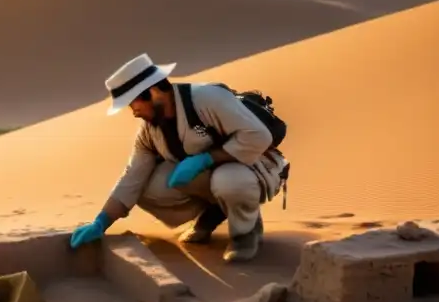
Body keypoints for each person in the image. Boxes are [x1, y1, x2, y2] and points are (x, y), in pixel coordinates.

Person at [69, 53, 288, 262]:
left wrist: (207, 159)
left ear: (154, 91)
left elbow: (259, 137)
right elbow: (133, 175)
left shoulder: (207, 98)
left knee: (228, 180)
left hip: (255, 166)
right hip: (213, 177)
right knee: (146, 187)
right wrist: (101, 221)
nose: (133, 111)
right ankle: (215, 211)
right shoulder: (149, 130)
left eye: (132, 103)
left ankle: (246, 234)